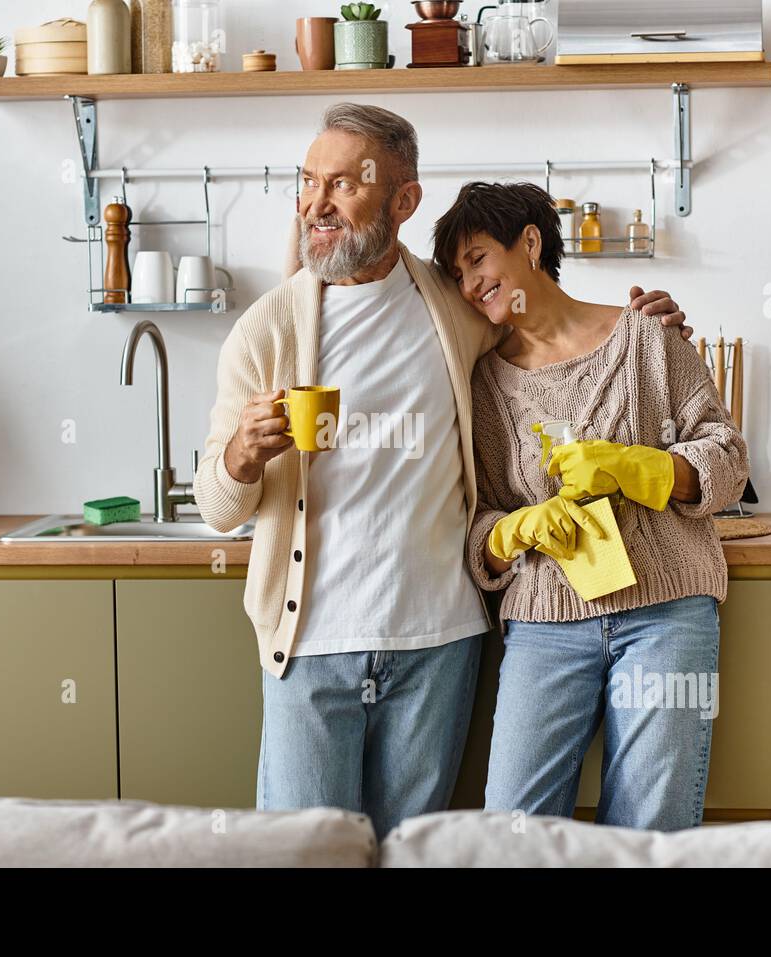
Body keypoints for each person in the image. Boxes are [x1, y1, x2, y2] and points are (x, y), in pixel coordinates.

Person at [194, 103, 692, 838]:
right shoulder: (265, 332)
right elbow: (216, 503)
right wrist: (242, 453)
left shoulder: (457, 308)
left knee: (415, 853)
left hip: (437, 645)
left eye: (342, 184)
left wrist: (646, 327)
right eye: (307, 182)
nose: (315, 202)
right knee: (298, 853)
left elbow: (549, 323)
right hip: (310, 644)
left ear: (403, 200)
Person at [431, 181, 750, 830]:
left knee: (649, 827)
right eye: (458, 274)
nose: (470, 284)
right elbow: (480, 525)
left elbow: (729, 460)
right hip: (546, 623)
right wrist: (516, 529)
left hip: (666, 612)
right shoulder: (483, 383)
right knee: (512, 830)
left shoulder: (647, 338)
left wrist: (646, 469)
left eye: (479, 259)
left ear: (529, 242)